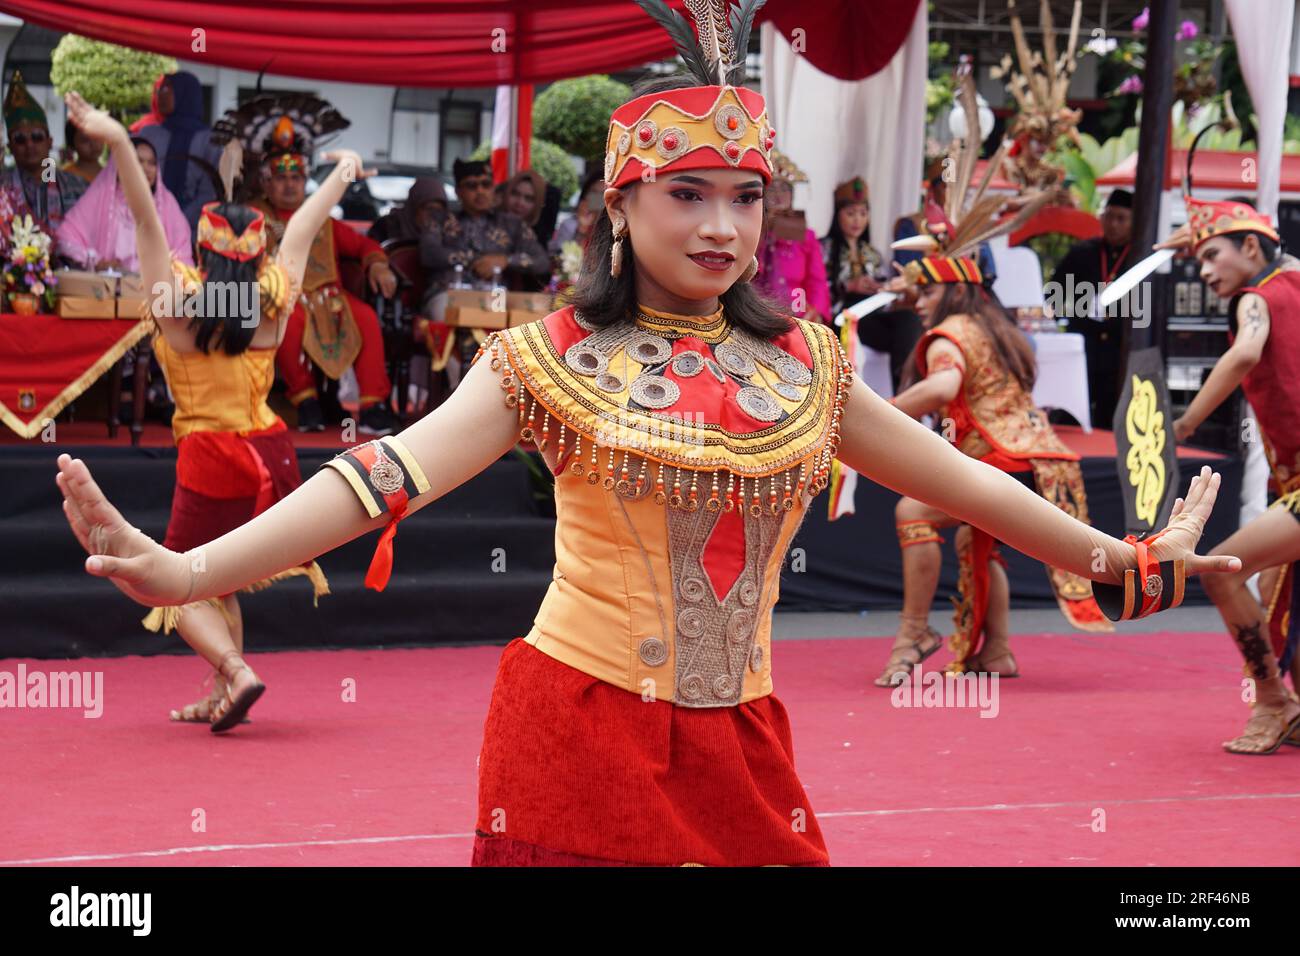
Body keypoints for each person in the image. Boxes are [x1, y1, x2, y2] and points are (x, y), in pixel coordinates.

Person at [54, 3, 1235, 865]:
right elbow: (380, 476)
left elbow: (967, 483)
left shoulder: (806, 362)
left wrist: (1119, 563)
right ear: (617, 204)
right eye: (687, 194)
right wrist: (188, 568)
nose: (723, 226)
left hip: (747, 745)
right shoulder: (544, 360)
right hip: (574, 733)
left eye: (744, 195)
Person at [58, 91, 356, 729]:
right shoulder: (272, 301)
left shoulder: (179, 305)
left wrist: (116, 140)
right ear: (255, 255)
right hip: (274, 455)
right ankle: (225, 688)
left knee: (170, 581)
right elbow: (302, 228)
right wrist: (342, 172)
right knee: (218, 574)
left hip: (212, 455)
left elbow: (142, 220)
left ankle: (238, 672)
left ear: (201, 247)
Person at [1158, 197, 1300, 754]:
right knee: (1273, 585)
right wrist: (1198, 233)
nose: (1208, 272)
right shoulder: (1291, 280)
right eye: (1199, 263)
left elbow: (1245, 355)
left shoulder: (1254, 300)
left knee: (1222, 573)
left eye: (1213, 256)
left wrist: (1186, 421)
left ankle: (1272, 701)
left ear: (1250, 248)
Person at [249, 116, 402, 436]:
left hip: (330, 297)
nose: (290, 184)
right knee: (287, 322)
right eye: (281, 177)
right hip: (281, 297)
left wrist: (377, 264)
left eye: (296, 176)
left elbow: (364, 245)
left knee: (366, 319)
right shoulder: (253, 217)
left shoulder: (320, 217)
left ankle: (373, 406)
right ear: (266, 183)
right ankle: (306, 402)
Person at [824, 175, 920, 390]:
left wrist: (883, 289)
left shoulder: (873, 255)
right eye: (850, 214)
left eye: (863, 214)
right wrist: (849, 286)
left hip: (870, 316)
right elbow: (818, 291)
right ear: (838, 216)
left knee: (909, 319)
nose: (857, 220)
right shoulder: (824, 249)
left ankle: (904, 391)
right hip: (841, 317)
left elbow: (886, 297)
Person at [1050, 188, 1135, 427]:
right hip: (1084, 340)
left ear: (1133, 222)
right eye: (1109, 217)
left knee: (1113, 407)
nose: (1114, 225)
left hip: (1120, 346)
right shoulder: (1082, 252)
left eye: (1121, 219)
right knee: (1075, 401)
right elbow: (1054, 292)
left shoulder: (1137, 257)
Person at [57, 129, 193, 273]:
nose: (146, 169)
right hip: (107, 288)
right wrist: (96, 262)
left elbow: (183, 255)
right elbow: (64, 238)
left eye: (152, 163)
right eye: (138, 161)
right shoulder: (101, 196)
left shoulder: (166, 204)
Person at [419, 158, 549, 304]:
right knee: (451, 312)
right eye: (471, 186)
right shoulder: (439, 219)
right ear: (458, 192)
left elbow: (542, 261)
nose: (480, 191)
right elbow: (429, 253)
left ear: (493, 188)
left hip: (495, 298)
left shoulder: (512, 224)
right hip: (447, 293)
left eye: (486, 184)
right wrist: (476, 260)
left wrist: (505, 261)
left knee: (507, 316)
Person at [3, 70, 87, 233]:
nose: (29, 144)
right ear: (10, 147)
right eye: (20, 139)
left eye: (37, 136)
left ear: (49, 142)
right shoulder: (2, 187)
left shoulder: (78, 187)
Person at [755, 150, 830, 323]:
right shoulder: (753, 228)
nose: (779, 195)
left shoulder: (805, 234)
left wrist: (816, 311)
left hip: (797, 313)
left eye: (785, 189)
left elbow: (817, 280)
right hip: (756, 311)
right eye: (773, 188)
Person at [368, 177, 446, 244]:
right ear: (414, 208)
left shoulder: (447, 233)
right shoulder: (386, 227)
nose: (434, 215)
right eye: (429, 209)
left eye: (439, 210)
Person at [61, 118, 103, 184]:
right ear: (72, 145)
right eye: (85, 140)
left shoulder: (112, 176)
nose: (93, 144)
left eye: (96, 137)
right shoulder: (65, 177)